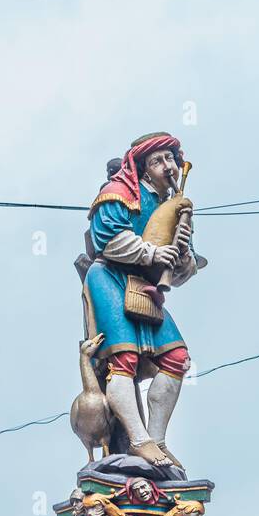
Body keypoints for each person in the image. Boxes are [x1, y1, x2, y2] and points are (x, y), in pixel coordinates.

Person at [81, 133, 205, 471]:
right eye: (158, 160)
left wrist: (181, 261)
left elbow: (185, 268)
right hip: (110, 278)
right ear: (143, 168)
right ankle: (137, 440)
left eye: (171, 159)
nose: (168, 166)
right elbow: (108, 239)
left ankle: (156, 439)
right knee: (124, 357)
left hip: (146, 287)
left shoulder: (176, 206)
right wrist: (152, 252)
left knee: (177, 357)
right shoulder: (118, 194)